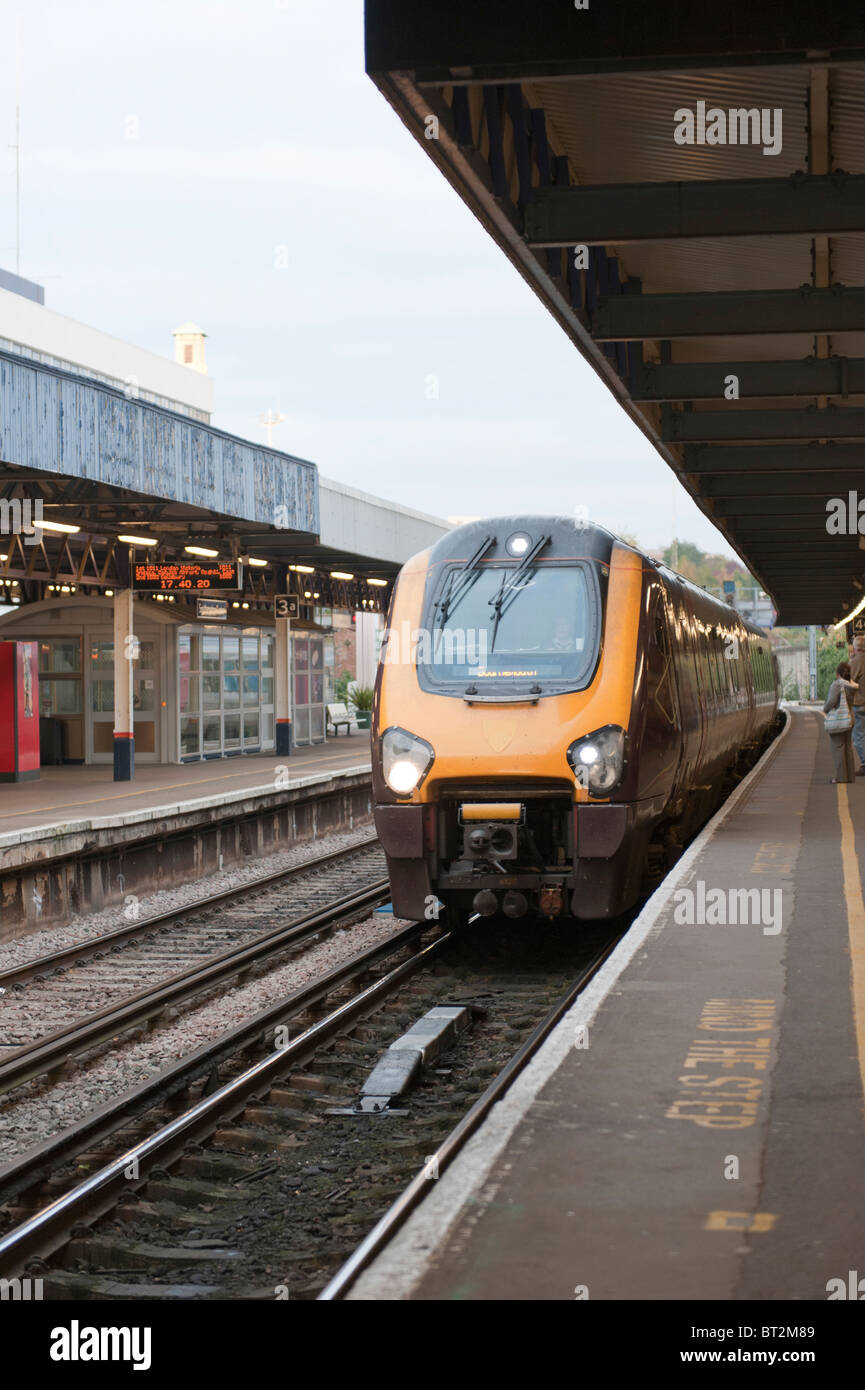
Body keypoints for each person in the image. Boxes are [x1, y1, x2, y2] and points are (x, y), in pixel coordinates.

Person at [824, 661, 858, 784]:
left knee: (837, 748)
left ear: (838, 673)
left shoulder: (837, 685)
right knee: (848, 748)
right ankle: (850, 777)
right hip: (849, 719)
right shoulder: (851, 685)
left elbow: (831, 702)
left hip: (838, 721)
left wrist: (825, 709)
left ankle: (841, 778)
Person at [849, 637, 865, 775]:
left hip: (860, 703)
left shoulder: (857, 661)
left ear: (855, 648)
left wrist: (850, 660)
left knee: (858, 735)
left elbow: (849, 680)